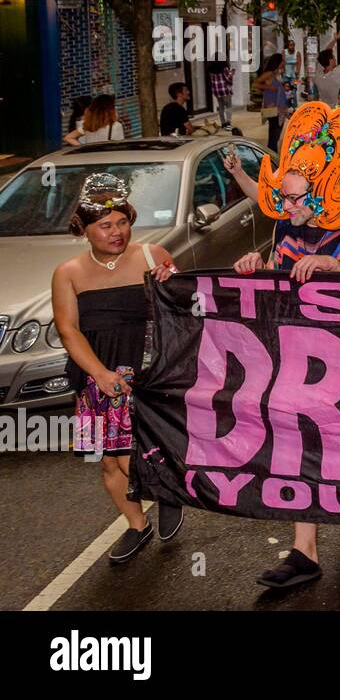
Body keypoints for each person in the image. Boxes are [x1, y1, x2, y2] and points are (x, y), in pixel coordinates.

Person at [239, 101, 340, 588]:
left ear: (324, 195)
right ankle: (305, 550)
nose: (289, 207)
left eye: (298, 199)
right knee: (298, 441)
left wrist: (335, 269)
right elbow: (274, 274)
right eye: (285, 197)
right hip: (297, 359)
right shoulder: (284, 228)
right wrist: (252, 268)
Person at [51, 173, 184, 563]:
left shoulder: (152, 255)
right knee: (109, 458)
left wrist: (171, 282)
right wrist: (99, 374)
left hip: (148, 371)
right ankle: (136, 525)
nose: (117, 232)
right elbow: (68, 330)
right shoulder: (68, 273)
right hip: (98, 375)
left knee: (142, 449)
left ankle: (166, 491)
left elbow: (185, 310)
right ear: (84, 229)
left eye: (123, 222)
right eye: (105, 225)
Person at [255, 53, 286, 151]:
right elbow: (256, 83)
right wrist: (269, 87)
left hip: (279, 110)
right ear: (278, 62)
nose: (284, 63)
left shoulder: (277, 73)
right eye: (282, 61)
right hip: (273, 110)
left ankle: (271, 158)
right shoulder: (270, 74)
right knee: (273, 139)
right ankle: (271, 159)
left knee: (274, 138)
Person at [312, 31, 340, 106]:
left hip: (326, 109)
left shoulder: (319, 75)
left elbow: (325, 54)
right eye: (334, 57)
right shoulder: (336, 74)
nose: (335, 59)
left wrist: (335, 39)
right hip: (338, 108)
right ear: (331, 60)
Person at [208, 59, 235, 130]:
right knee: (228, 106)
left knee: (221, 107)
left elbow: (212, 80)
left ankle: (223, 123)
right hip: (224, 90)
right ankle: (228, 122)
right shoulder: (224, 68)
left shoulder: (211, 69)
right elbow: (228, 78)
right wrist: (232, 73)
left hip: (216, 90)